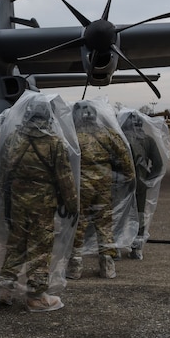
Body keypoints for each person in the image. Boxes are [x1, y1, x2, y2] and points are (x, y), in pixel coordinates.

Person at [0, 91, 79, 312]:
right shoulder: (55, 143)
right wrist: (72, 205)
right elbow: (64, 178)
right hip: (42, 205)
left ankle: (5, 289)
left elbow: (3, 174)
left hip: (17, 202)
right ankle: (35, 296)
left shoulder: (11, 139)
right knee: (40, 247)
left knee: (16, 244)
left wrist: (4, 202)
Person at [68, 99, 137, 279]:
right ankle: (107, 264)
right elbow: (124, 156)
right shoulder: (107, 134)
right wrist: (129, 177)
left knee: (79, 224)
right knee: (104, 225)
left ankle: (75, 266)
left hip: (81, 186)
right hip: (103, 187)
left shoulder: (72, 135)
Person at [118, 108, 170, 260]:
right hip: (140, 185)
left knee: (118, 214)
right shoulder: (147, 139)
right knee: (139, 216)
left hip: (120, 185)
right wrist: (147, 179)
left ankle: (114, 249)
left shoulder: (118, 138)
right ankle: (137, 248)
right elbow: (158, 164)